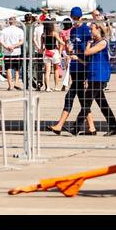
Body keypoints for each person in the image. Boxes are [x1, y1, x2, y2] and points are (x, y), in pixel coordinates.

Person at [48, 7, 91, 135]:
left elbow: (87, 50)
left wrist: (77, 53)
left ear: (81, 17)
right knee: (82, 99)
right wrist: (68, 47)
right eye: (73, 18)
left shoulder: (85, 30)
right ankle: (91, 127)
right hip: (74, 67)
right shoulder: (72, 31)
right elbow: (70, 47)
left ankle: (59, 125)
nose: (75, 20)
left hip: (82, 67)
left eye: (77, 18)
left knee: (70, 97)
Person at [82, 22, 116, 135]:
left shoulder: (102, 42)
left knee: (86, 102)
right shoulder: (95, 42)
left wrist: (88, 43)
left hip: (100, 75)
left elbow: (87, 53)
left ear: (97, 29)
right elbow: (90, 61)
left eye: (91, 29)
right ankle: (113, 127)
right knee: (103, 104)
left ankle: (76, 126)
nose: (90, 31)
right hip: (93, 75)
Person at [0, 16, 24, 91]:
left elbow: (1, 41)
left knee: (8, 69)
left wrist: (7, 47)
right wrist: (13, 46)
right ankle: (16, 83)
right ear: (15, 22)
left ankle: (10, 85)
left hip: (7, 52)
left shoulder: (4, 30)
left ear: (9, 22)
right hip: (16, 51)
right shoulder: (20, 30)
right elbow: (21, 41)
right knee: (17, 69)